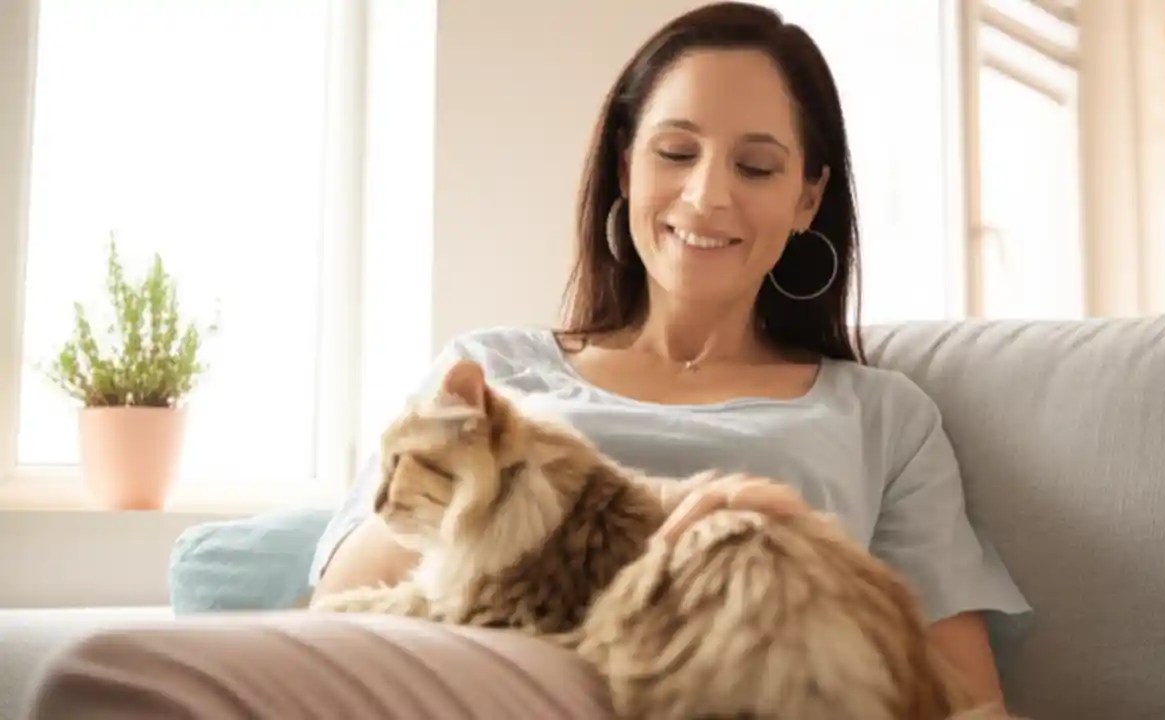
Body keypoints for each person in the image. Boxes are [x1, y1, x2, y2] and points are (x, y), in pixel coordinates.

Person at [27, 3, 1028, 718]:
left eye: (756, 166)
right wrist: (522, 503)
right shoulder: (492, 369)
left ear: (807, 200)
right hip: (476, 651)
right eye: (674, 152)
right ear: (626, 162)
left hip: (723, 668)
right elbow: (344, 597)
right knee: (105, 680)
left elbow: (964, 698)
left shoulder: (879, 414)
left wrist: (772, 548)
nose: (707, 197)